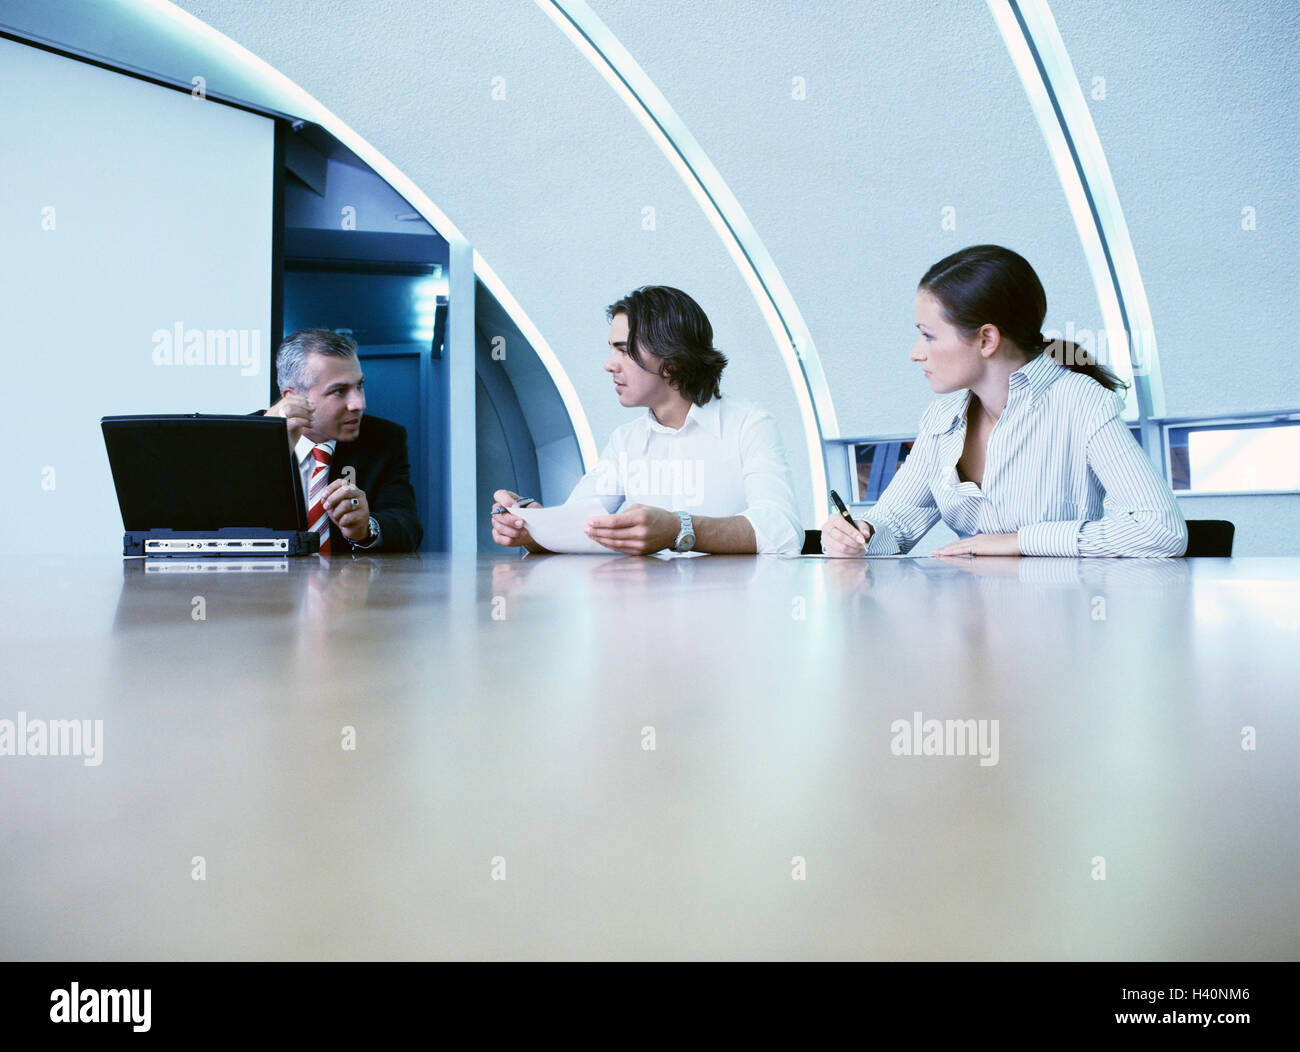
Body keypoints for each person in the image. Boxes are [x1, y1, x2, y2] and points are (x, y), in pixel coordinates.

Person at [822, 245, 1186, 558]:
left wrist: (1021, 541)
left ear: (987, 340)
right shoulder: (942, 418)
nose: (915, 353)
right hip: (968, 614)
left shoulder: (1081, 402)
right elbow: (895, 525)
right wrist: (859, 535)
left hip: (1058, 616)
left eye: (928, 336)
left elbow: (1160, 530)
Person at [491, 286, 803, 555]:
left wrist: (679, 528)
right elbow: (579, 526)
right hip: (647, 604)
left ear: (672, 361)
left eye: (623, 351)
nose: (609, 365)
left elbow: (783, 531)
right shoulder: (625, 441)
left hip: (731, 604)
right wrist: (530, 524)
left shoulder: (749, 425)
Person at [263, 329, 422, 553]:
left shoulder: (384, 439)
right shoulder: (240, 439)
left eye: (359, 386)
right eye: (339, 391)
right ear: (293, 398)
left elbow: (407, 526)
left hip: (351, 576)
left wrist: (366, 529)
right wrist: (266, 439)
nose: (359, 404)